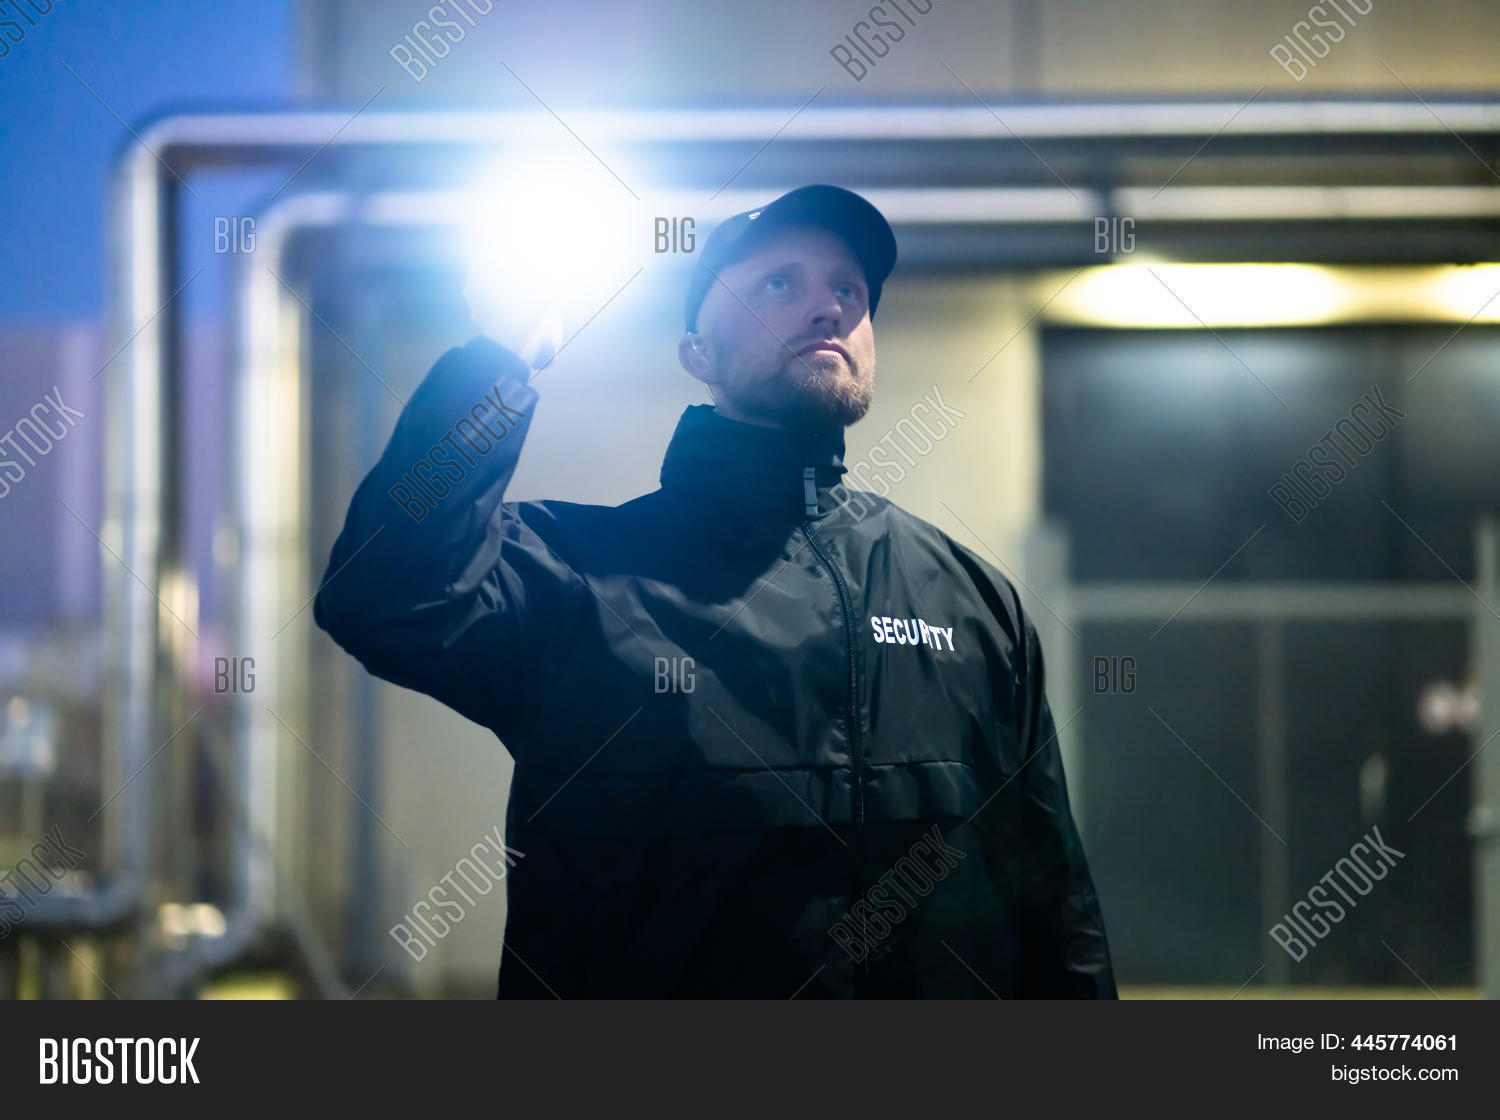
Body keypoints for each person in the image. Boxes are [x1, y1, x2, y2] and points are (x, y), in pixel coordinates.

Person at [315, 184, 1117, 997]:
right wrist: (497, 365)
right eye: (780, 283)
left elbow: (1055, 901)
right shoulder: (579, 573)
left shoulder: (971, 601)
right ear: (697, 352)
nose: (826, 308)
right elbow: (385, 593)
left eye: (849, 289)